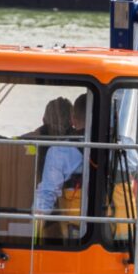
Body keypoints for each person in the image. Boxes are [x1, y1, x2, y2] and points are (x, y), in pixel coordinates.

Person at [32, 96, 86, 235]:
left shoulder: (60, 151)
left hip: (79, 233)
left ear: (73, 119)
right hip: (124, 233)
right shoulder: (126, 147)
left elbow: (47, 194)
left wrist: (32, 232)